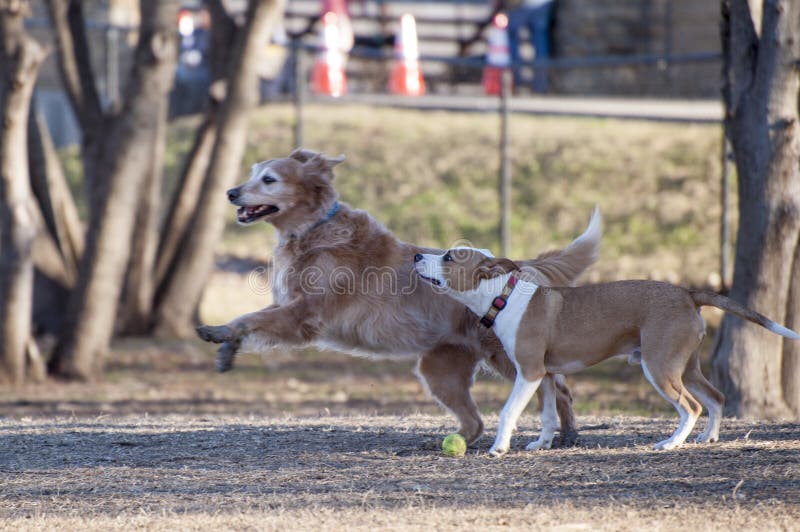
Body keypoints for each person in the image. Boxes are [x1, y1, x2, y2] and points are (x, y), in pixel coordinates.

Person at [500, 0, 554, 93]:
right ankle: (541, 84)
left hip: (527, 5)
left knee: (512, 32)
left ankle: (517, 79)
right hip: (544, 4)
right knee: (540, 42)